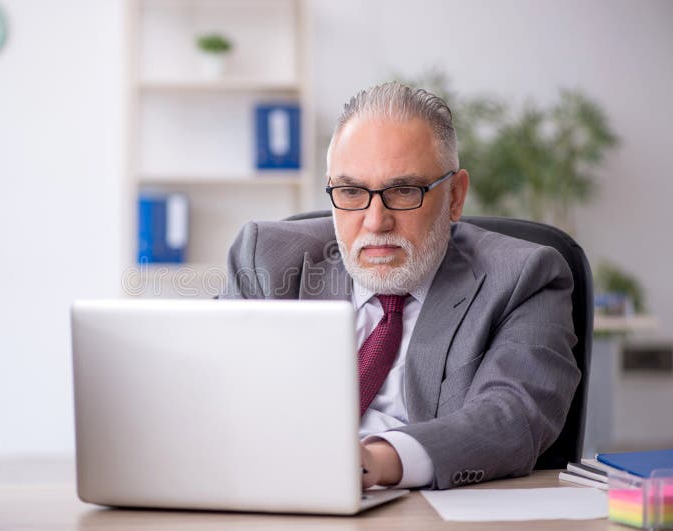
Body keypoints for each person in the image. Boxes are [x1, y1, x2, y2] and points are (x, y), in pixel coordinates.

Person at [219, 82, 580, 490]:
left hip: (423, 505)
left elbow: (511, 415)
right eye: (352, 191)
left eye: (404, 190)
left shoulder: (524, 276)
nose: (376, 221)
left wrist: (373, 462)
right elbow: (205, 386)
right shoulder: (266, 259)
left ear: (455, 196)